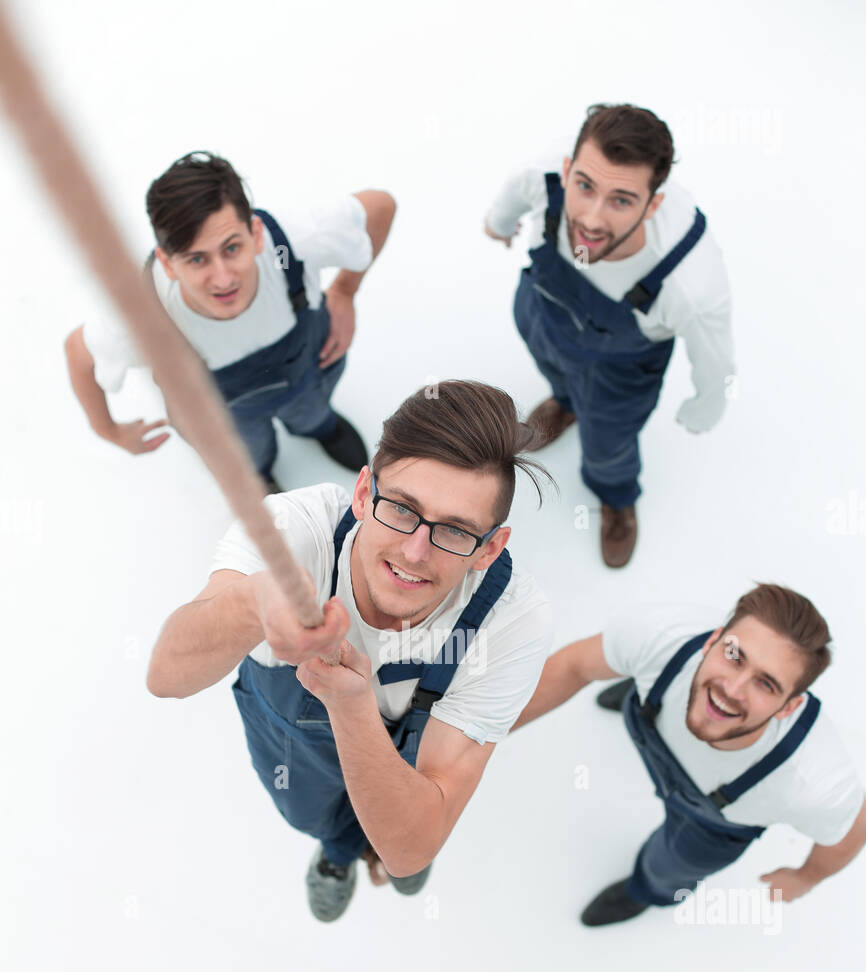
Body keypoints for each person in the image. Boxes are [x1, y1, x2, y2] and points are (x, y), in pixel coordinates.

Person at [146, 381, 554, 921]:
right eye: (401, 509)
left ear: (489, 548)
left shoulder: (511, 620)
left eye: (454, 531)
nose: (415, 551)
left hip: (413, 759)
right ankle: (337, 856)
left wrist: (352, 707)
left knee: (405, 837)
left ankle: (374, 833)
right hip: (295, 755)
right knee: (319, 815)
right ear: (363, 494)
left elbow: (410, 850)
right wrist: (253, 604)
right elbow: (165, 676)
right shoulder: (294, 531)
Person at [512, 584, 866, 925]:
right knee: (649, 679)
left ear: (788, 708)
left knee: (670, 869)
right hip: (656, 727)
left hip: (714, 826)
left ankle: (645, 891)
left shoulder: (813, 783)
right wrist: (479, 732)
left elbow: (851, 827)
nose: (732, 689)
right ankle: (642, 689)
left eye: (766, 684)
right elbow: (575, 666)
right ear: (711, 641)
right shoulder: (660, 635)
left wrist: (807, 876)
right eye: (733, 656)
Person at [485, 103, 734, 567]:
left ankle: (615, 497)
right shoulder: (541, 178)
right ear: (567, 171)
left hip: (619, 372)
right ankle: (564, 401)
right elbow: (509, 200)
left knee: (608, 447)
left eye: (621, 200)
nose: (593, 219)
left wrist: (703, 408)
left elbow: (716, 362)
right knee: (555, 372)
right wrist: (498, 225)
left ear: (653, 203)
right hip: (543, 318)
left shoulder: (689, 281)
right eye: (584, 187)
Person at [65, 151, 396, 487]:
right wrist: (109, 431)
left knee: (312, 415)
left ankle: (320, 428)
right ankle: (260, 475)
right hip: (222, 418)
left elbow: (380, 207)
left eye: (231, 248)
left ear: (255, 233)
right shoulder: (144, 315)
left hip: (307, 379)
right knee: (248, 458)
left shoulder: (292, 241)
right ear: (167, 264)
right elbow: (78, 350)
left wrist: (344, 292)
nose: (223, 279)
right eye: (197, 259)